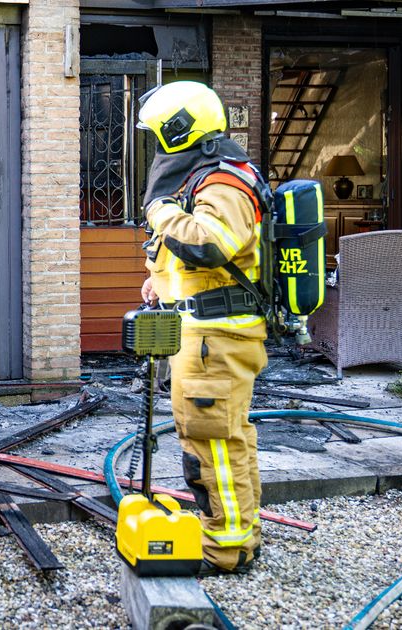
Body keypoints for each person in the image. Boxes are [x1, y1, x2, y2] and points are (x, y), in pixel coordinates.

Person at [136, 81, 267, 576]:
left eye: (157, 135)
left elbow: (212, 244)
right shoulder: (204, 177)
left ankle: (226, 548)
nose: (155, 147)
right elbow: (191, 259)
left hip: (217, 337)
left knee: (212, 442)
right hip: (205, 331)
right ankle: (240, 531)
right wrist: (160, 282)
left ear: (180, 130)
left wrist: (161, 211)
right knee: (226, 439)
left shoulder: (222, 182)